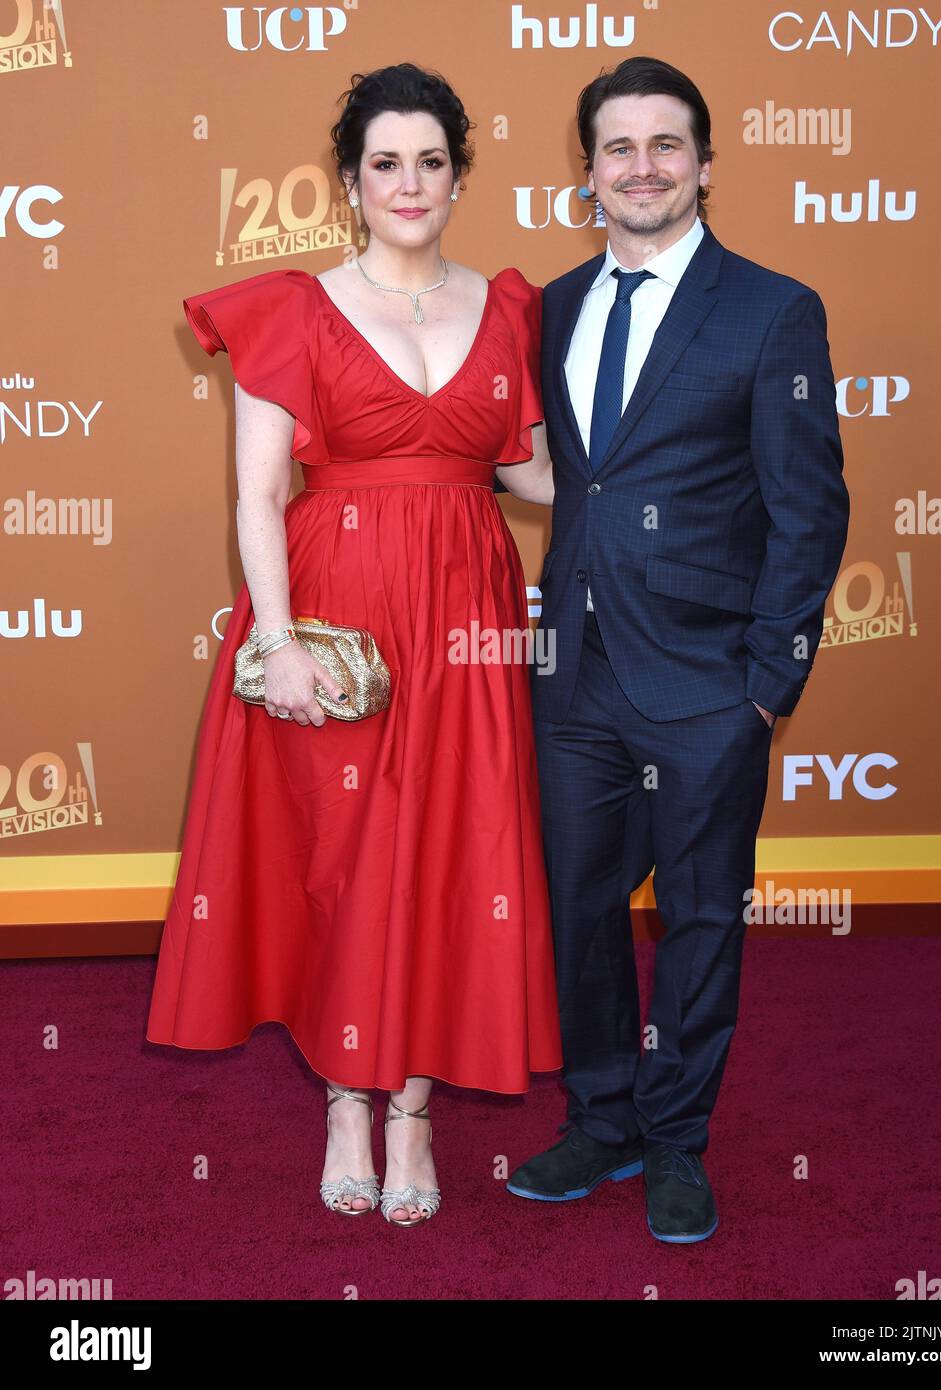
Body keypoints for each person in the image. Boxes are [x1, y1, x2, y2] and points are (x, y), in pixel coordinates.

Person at [146, 63, 563, 1226]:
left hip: (468, 616)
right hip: (336, 614)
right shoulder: (292, 308)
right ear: (348, 181)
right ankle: (345, 1097)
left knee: (452, 850)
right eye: (386, 162)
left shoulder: (510, 308)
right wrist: (276, 640)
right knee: (343, 852)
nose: (409, 182)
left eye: (431, 160)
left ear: (458, 175)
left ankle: (413, 1111)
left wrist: (656, 472)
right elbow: (256, 494)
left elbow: (527, 468)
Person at [506, 56, 850, 1243]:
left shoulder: (770, 308)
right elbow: (560, 475)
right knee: (579, 908)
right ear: (586, 171)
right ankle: (600, 1116)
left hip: (708, 684)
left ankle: (676, 1137)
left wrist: (766, 685)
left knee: (700, 919)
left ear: (704, 165)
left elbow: (809, 510)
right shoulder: (547, 306)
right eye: (616, 147)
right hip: (574, 676)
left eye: (666, 145)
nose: (640, 167)